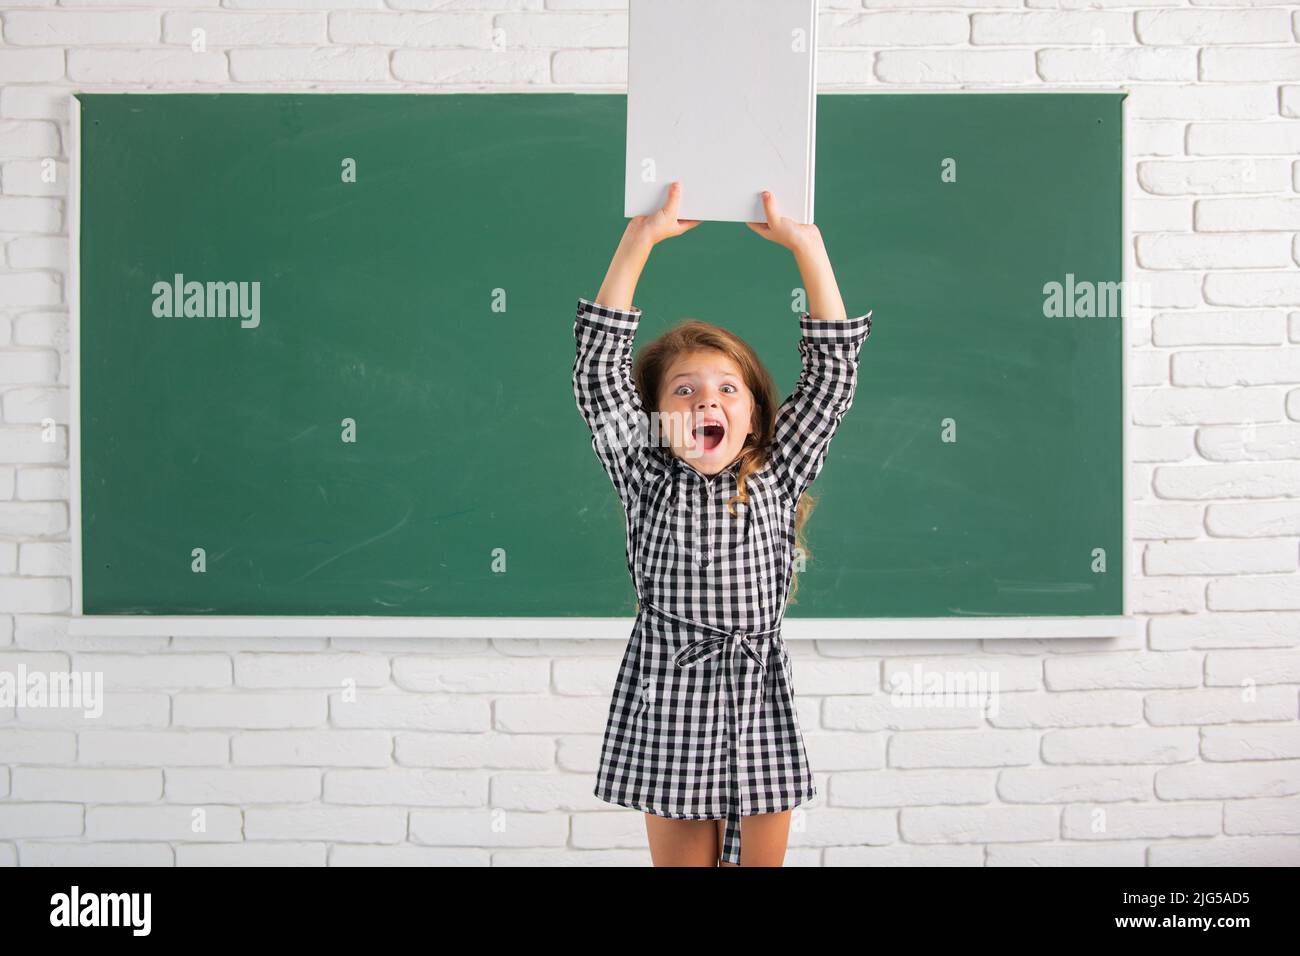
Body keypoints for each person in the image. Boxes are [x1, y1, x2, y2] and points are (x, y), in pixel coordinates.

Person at [573, 181, 873, 866]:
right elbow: (598, 373)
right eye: (684, 389)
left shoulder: (779, 467)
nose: (707, 397)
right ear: (653, 418)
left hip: (756, 692)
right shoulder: (644, 475)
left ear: (754, 417)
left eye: (726, 388)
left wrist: (808, 247)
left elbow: (831, 375)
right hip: (671, 693)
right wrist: (637, 240)